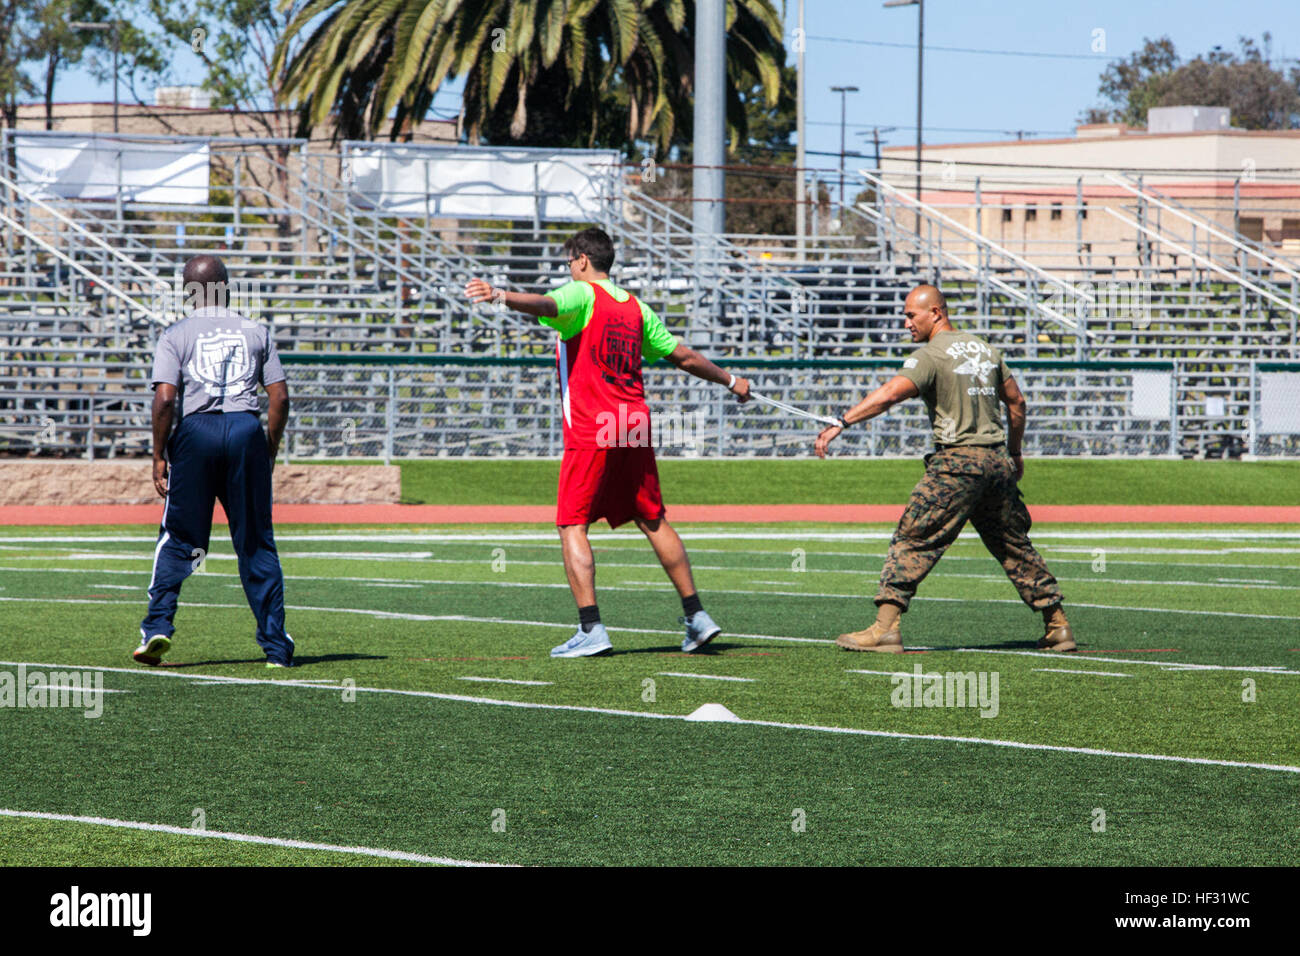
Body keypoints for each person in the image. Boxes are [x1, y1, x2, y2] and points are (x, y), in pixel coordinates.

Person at [464, 227, 751, 657]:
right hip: (633, 422)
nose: (568, 270)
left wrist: (500, 295)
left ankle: (591, 629)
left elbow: (547, 303)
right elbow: (684, 357)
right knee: (652, 518)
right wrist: (731, 380)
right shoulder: (636, 307)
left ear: (581, 260)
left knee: (571, 523)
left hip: (593, 425)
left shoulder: (583, 294)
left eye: (568, 263)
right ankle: (697, 617)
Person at [813, 283, 1075, 654]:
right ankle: (1058, 626)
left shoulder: (930, 355)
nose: (906, 323)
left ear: (935, 312)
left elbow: (891, 393)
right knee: (1014, 546)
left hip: (956, 464)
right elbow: (1017, 402)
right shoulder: (987, 350)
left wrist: (843, 420)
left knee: (913, 538)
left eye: (910, 315)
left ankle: (885, 629)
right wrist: (1015, 453)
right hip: (996, 463)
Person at [135, 254, 294, 668]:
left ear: (189, 291)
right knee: (256, 541)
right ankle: (276, 647)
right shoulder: (256, 330)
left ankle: (157, 629)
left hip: (197, 432)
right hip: (245, 431)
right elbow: (279, 397)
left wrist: (158, 455)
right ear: (226, 286)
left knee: (180, 538)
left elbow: (166, 398)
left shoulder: (176, 334)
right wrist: (269, 448)